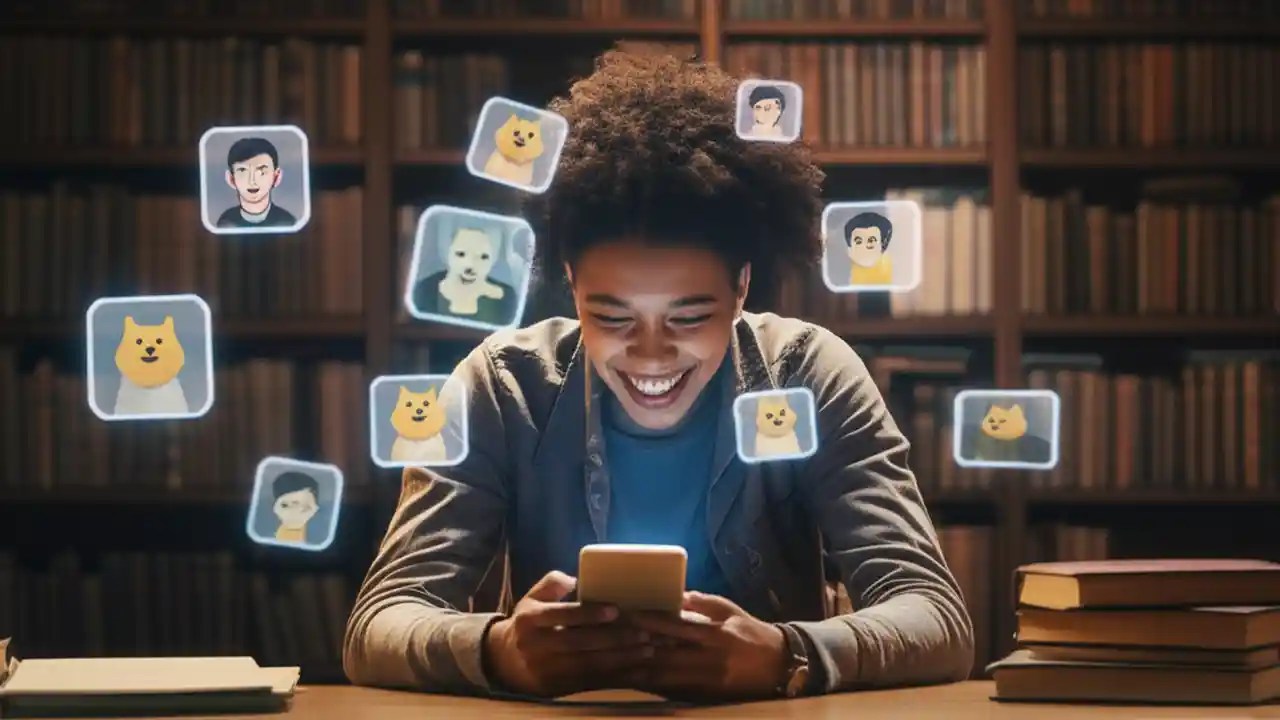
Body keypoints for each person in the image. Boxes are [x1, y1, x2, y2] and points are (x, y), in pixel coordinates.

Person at [343, 48, 973, 702]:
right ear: (570, 285)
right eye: (611, 317)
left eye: (688, 316)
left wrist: (790, 655)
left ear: (741, 288)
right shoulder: (501, 388)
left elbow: (936, 615)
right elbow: (379, 622)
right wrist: (496, 651)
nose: (649, 355)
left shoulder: (810, 375)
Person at [216, 137, 298, 229]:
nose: (252, 181)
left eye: (262, 171)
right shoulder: (226, 222)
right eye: (243, 170)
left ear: (276, 177)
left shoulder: (287, 222)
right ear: (231, 179)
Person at [843, 211, 895, 286]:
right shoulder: (848, 273)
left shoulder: (887, 268)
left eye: (871, 241)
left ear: (882, 246)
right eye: (858, 242)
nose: (865, 246)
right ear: (850, 249)